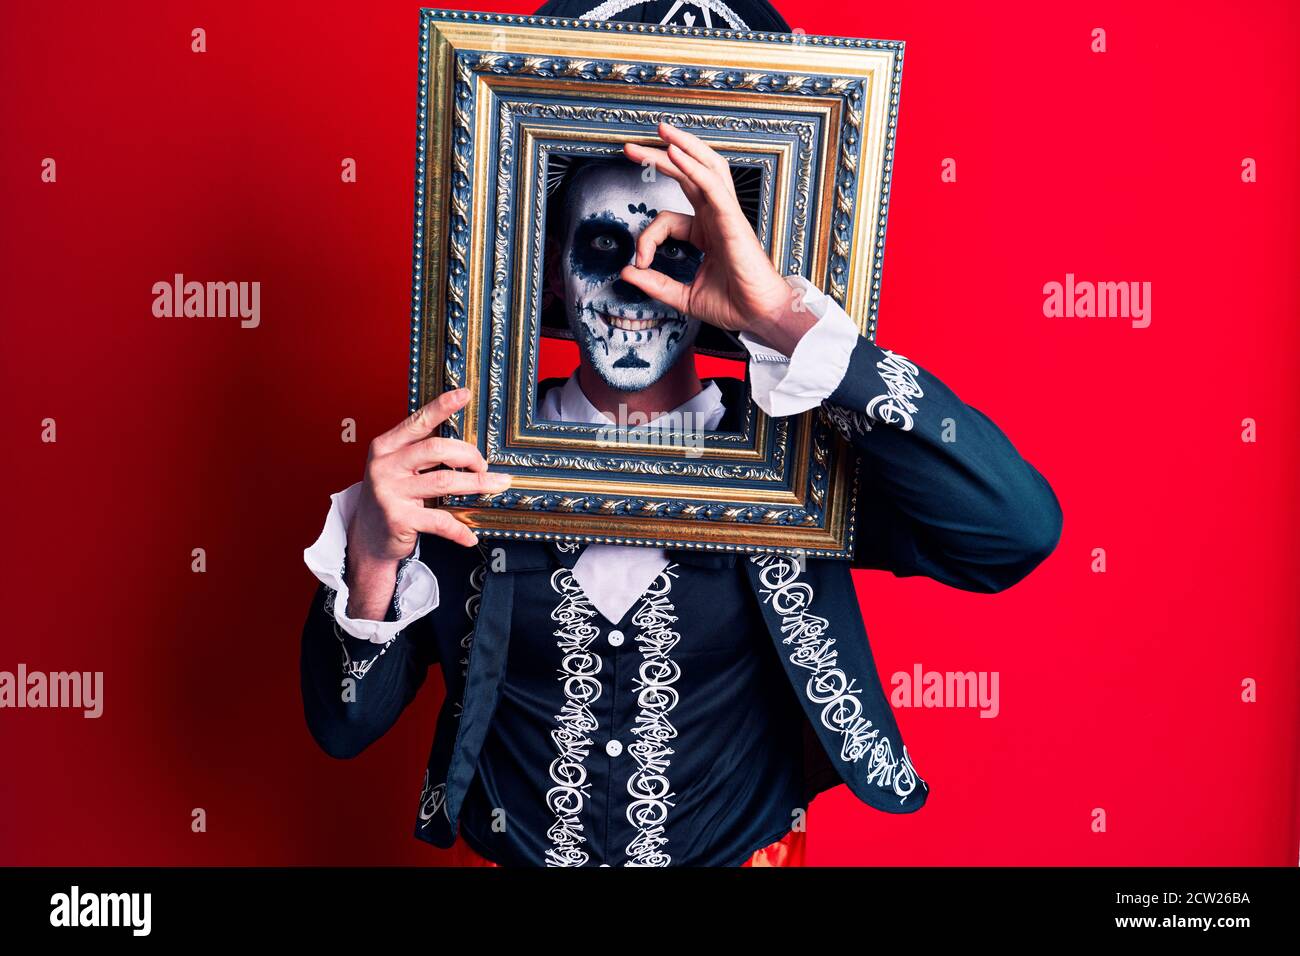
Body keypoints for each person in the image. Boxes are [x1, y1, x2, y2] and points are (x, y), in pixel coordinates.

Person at [300, 2, 1063, 868]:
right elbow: (345, 728)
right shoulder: (456, 457)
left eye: (674, 254)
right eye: (600, 248)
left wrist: (780, 317)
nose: (633, 287)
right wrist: (369, 556)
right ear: (546, 269)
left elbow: (1015, 532)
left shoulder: (802, 458)